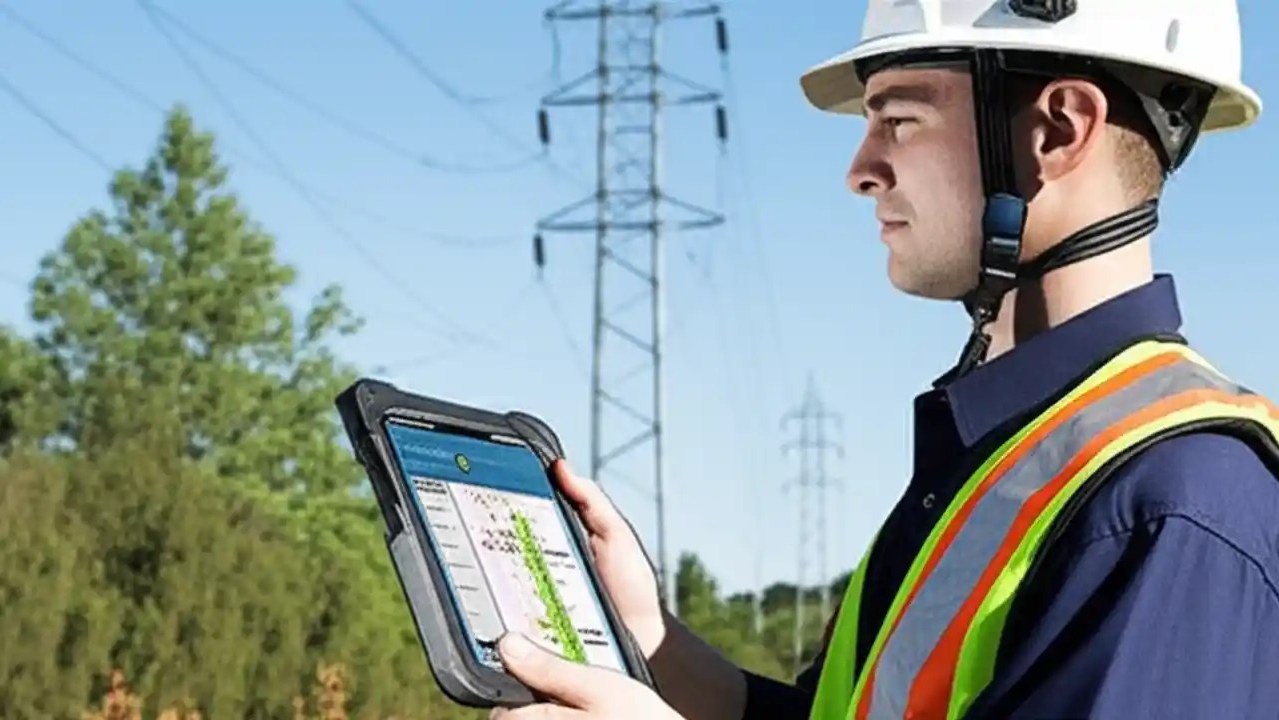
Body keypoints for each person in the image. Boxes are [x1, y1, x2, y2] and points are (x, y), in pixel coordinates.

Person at [490, 1, 1279, 718]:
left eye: (898, 121)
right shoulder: (1009, 463)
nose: (860, 170)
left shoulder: (1172, 505)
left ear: (1057, 130)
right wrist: (656, 645)